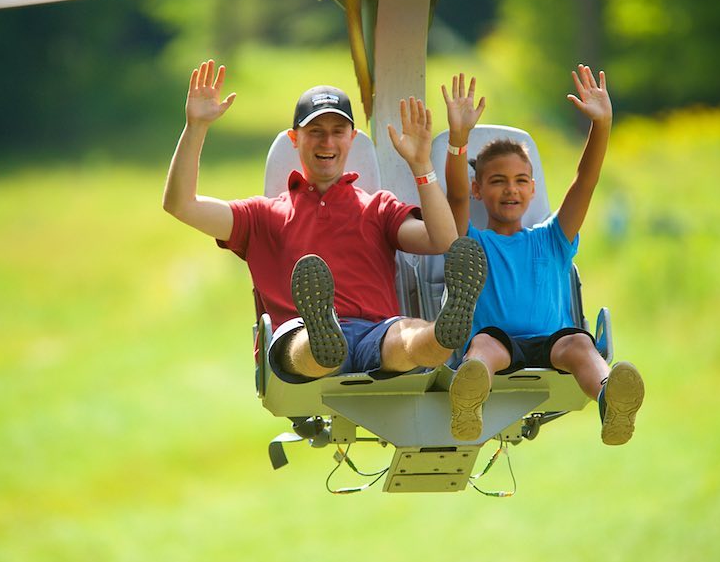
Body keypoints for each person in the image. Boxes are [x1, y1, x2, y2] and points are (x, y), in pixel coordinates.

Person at [162, 59, 487, 383]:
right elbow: (181, 205)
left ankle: (444, 335)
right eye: (315, 132)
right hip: (300, 336)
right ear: (294, 138)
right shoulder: (261, 216)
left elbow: (444, 241)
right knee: (304, 344)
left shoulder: (377, 207)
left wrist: (420, 164)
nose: (327, 142)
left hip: (375, 333)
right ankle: (324, 334)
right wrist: (196, 126)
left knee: (405, 336)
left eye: (337, 132)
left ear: (352, 138)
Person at [440, 67, 645, 444]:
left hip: (554, 343)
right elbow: (453, 198)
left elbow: (585, 180)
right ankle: (468, 402)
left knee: (581, 344)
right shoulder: (472, 242)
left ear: (533, 189)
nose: (510, 190)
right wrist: (458, 139)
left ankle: (610, 399)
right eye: (498, 181)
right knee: (482, 348)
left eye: (520, 181)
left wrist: (602, 125)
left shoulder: (553, 237)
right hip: (498, 343)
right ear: (478, 189)